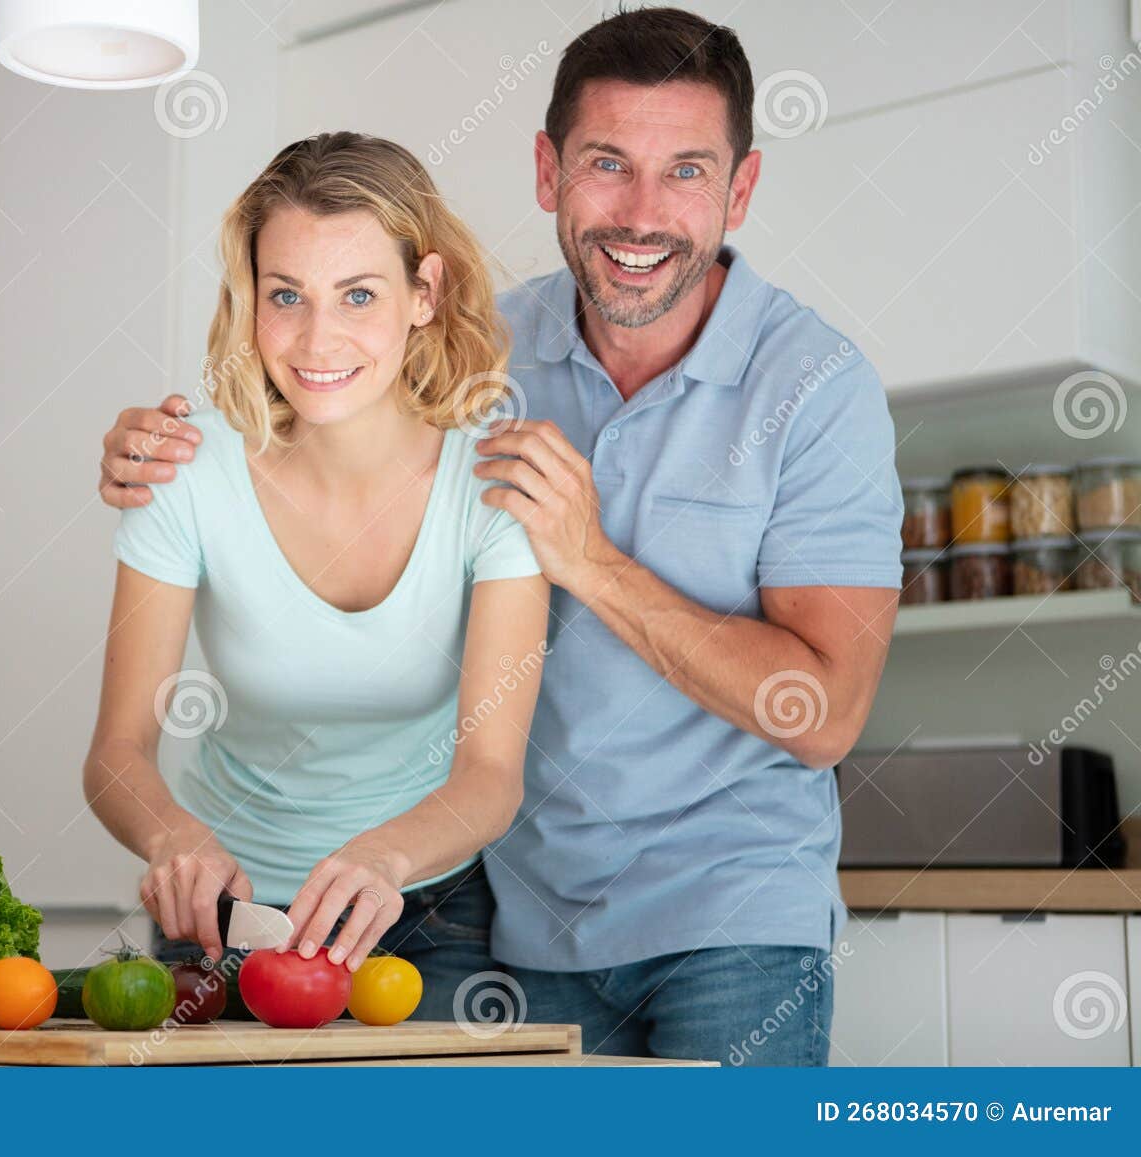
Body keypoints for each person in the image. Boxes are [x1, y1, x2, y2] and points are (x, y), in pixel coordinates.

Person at [95, 8, 902, 1064]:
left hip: (728, 908)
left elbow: (825, 714)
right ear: (548, 171)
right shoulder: (475, 356)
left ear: (739, 189)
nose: (641, 211)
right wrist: (155, 449)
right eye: (606, 163)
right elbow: (320, 385)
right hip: (522, 910)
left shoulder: (814, 387)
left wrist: (591, 561)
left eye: (686, 171)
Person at [82, 132, 550, 1020]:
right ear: (250, 297)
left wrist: (384, 857)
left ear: (425, 293)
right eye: (286, 294)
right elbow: (115, 752)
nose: (316, 337)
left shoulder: (494, 484)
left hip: (427, 907)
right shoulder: (184, 471)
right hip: (224, 910)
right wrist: (174, 838)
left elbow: (492, 771)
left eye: (359, 294)